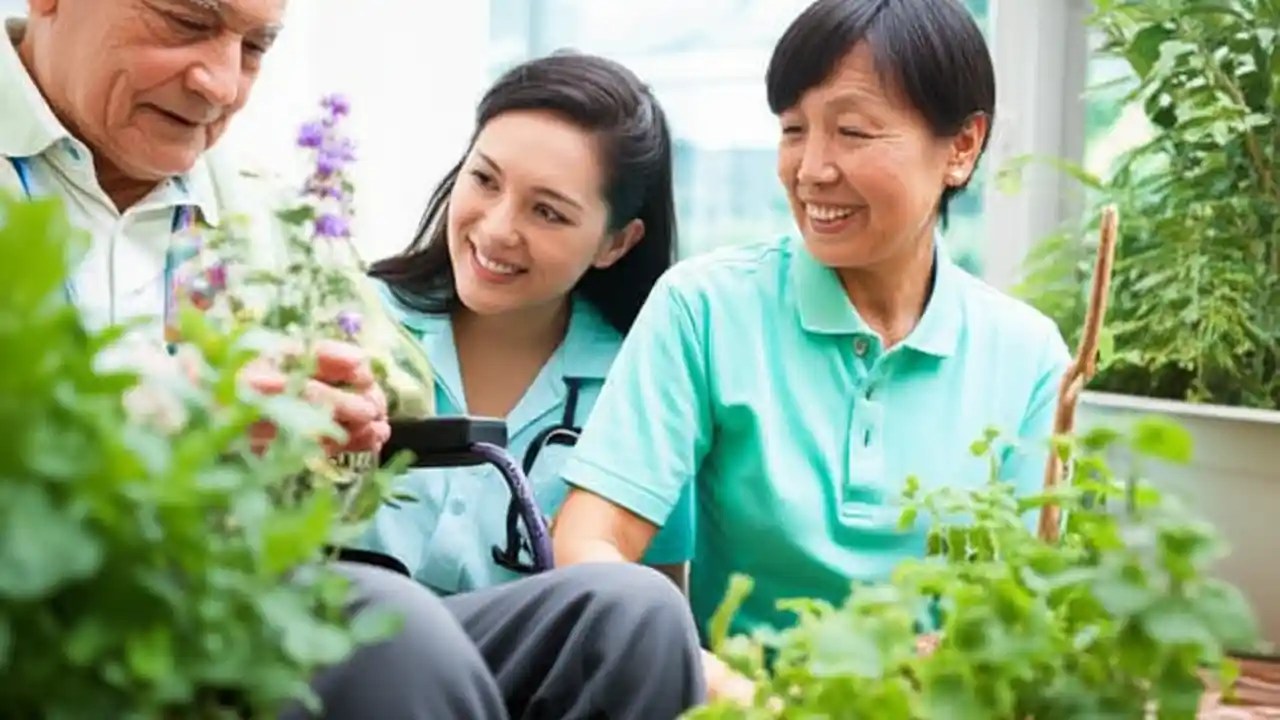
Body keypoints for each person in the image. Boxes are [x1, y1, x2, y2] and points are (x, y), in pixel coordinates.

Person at [0, 2, 703, 719]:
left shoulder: (275, 220)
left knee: (632, 615)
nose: (218, 83)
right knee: (392, 627)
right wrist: (157, 406)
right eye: (184, 23)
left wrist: (337, 437)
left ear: (617, 241)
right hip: (61, 606)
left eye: (254, 48)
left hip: (245, 614)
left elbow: (359, 456)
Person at [550, 0, 1072, 691]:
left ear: (962, 148)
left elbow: (1034, 606)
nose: (812, 169)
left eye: (853, 131)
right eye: (794, 130)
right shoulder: (702, 308)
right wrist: (732, 692)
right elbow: (590, 542)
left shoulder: (1030, 356)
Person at [355, 51, 694, 595]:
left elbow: (649, 619)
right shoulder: (351, 323)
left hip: (528, 678)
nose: (496, 229)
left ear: (616, 242)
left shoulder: (641, 389)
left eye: (548, 212)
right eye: (485, 180)